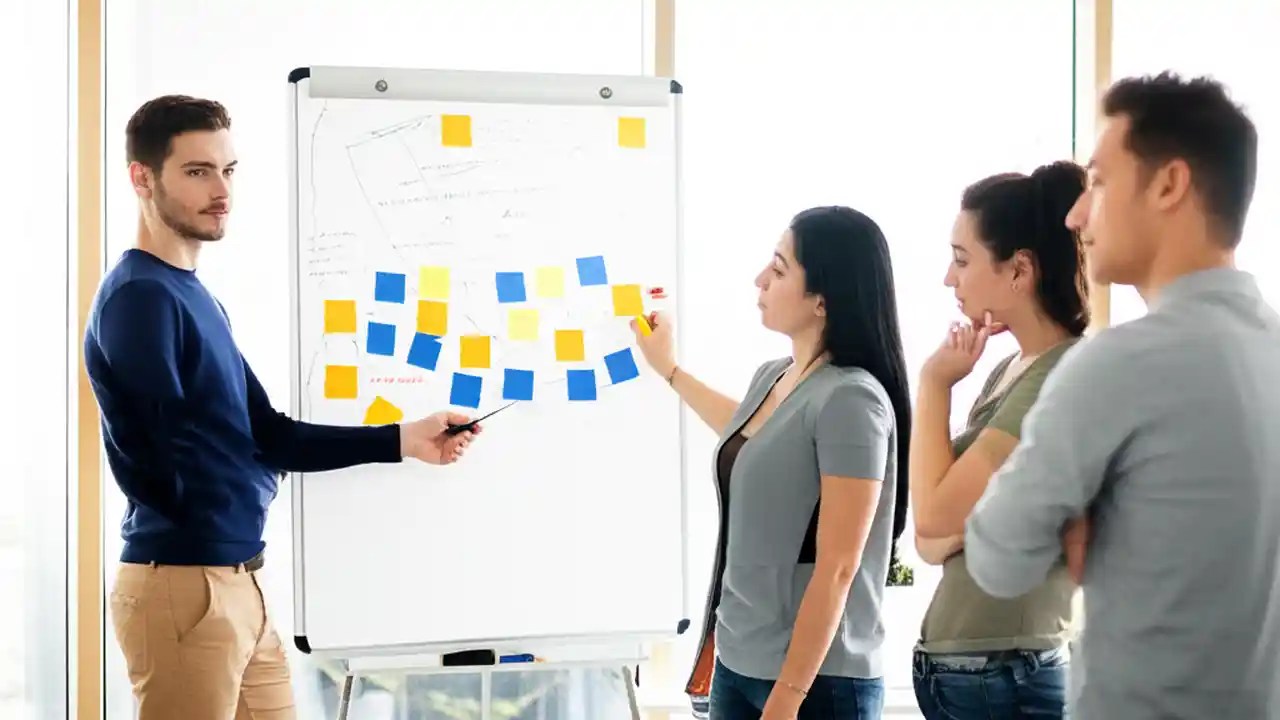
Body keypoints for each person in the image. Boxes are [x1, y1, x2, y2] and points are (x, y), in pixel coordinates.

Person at [85, 95, 480, 720]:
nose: (222, 190)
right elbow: (159, 466)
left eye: (228, 170)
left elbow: (270, 435)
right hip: (186, 587)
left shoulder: (194, 298)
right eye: (197, 171)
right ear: (142, 178)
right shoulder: (140, 299)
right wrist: (250, 476)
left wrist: (404, 438)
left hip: (241, 580)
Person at [965, 72, 1280, 719]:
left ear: (1169, 184)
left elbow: (996, 557)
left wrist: (1080, 517)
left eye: (1099, 183)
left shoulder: (1111, 368)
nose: (1076, 214)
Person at [631, 206, 913, 720]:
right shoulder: (774, 376)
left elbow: (839, 566)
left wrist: (787, 698)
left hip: (816, 683)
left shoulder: (852, 399)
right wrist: (668, 369)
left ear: (823, 298)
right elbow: (751, 437)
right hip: (738, 663)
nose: (760, 279)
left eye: (780, 269)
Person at [907, 161, 1089, 719]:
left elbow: (937, 518)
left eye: (962, 260)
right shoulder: (1011, 368)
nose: (948, 278)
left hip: (1006, 671)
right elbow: (928, 536)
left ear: (1019, 271)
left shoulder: (1062, 375)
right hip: (979, 670)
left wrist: (934, 383)